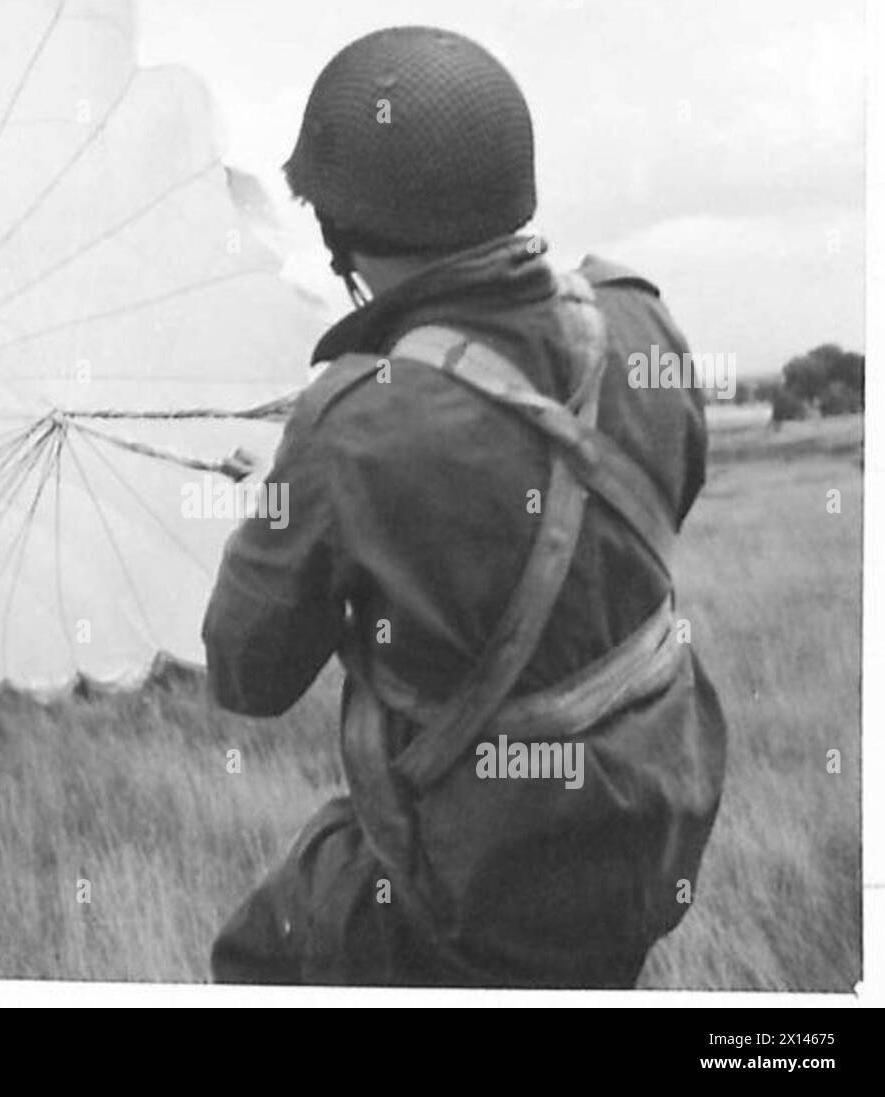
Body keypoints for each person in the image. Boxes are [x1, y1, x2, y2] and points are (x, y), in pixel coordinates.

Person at [201, 25, 727, 987]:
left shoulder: (349, 421)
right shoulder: (641, 315)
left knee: (254, 956)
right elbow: (646, 508)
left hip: (483, 877)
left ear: (335, 233)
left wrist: (285, 508)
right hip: (654, 822)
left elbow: (250, 675)